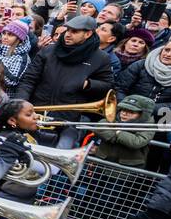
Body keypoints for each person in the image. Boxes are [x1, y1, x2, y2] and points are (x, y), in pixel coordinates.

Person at [15, 14, 114, 149]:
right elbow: (29, 79)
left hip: (68, 120)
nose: (68, 34)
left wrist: (88, 84)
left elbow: (107, 85)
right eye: (67, 30)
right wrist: (21, 103)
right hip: (35, 113)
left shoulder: (101, 58)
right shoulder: (49, 50)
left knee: (54, 162)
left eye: (74, 31)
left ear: (88, 34)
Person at [90, 94, 154, 167]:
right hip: (102, 161)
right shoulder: (114, 116)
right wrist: (117, 137)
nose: (124, 113)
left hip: (128, 167)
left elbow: (137, 142)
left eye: (131, 112)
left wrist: (117, 132)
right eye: (123, 109)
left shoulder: (149, 125)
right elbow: (100, 126)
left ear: (143, 114)